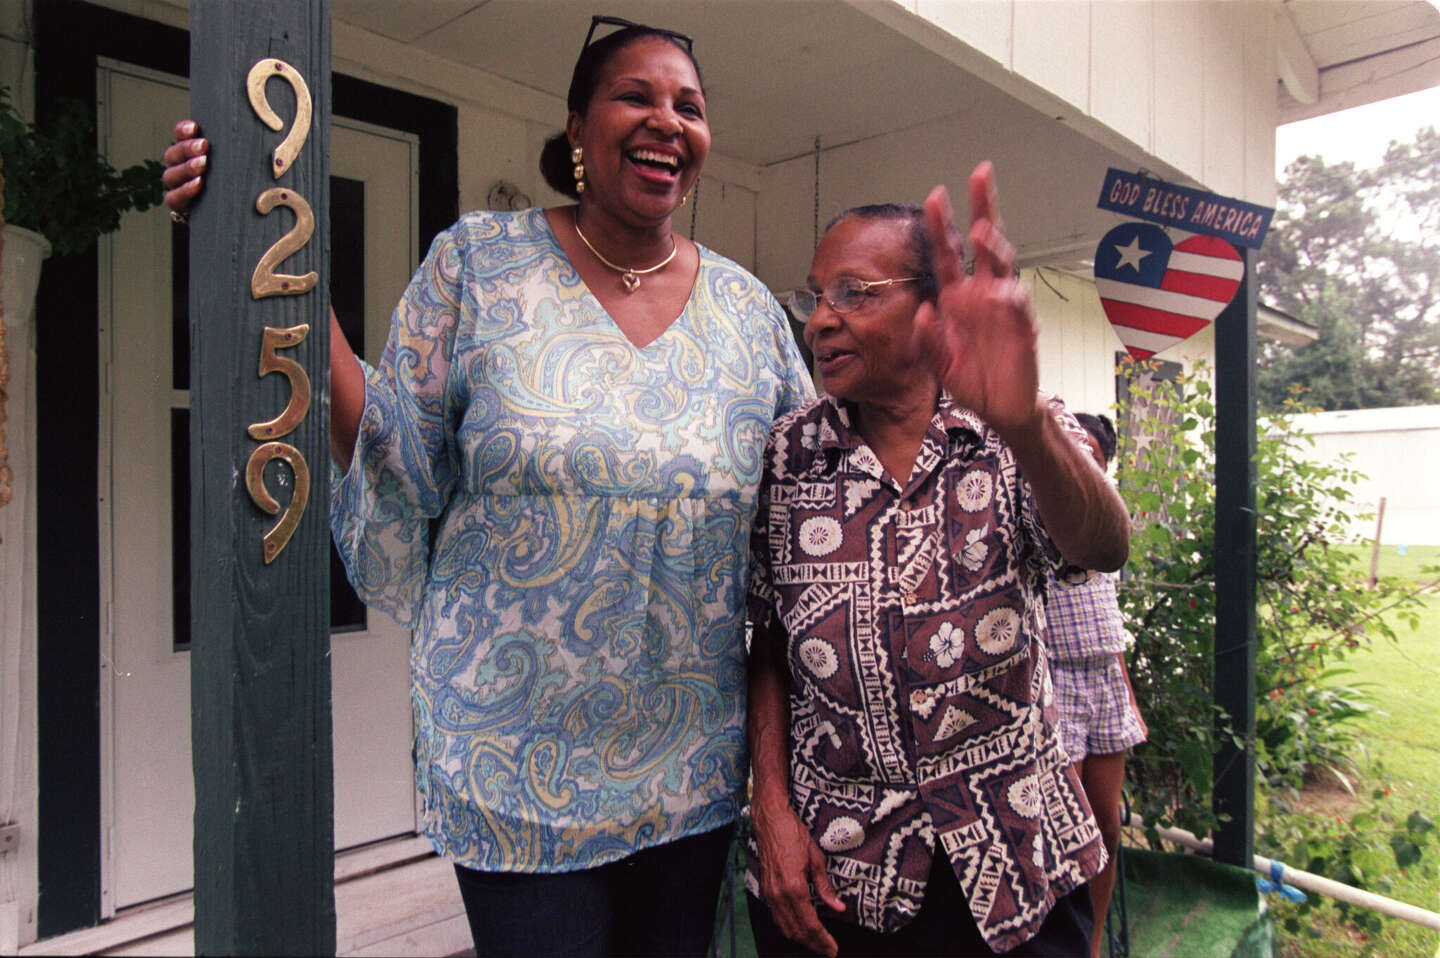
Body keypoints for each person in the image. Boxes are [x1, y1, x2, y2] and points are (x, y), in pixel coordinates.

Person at [164, 17, 813, 957]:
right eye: (637, 96)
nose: (667, 120)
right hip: (511, 766)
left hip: (688, 769)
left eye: (691, 106)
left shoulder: (750, 313)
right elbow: (389, 449)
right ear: (579, 126)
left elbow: (806, 525)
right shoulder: (479, 265)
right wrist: (251, 228)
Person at [744, 165, 1132, 957]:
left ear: (932, 306)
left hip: (1015, 862)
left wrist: (1025, 427)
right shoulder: (788, 456)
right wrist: (773, 812)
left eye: (854, 293)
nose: (820, 321)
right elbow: (769, 645)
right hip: (839, 877)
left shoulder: (1017, 432)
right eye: (813, 297)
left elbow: (1100, 545)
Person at [1043, 413, 1148, 958]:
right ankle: (1063, 937)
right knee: (1070, 828)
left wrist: (1126, 693)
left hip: (1105, 676)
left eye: (1094, 460)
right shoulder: (1045, 513)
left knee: (1107, 823)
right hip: (1055, 681)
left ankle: (1093, 942)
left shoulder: (1106, 523)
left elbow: (1112, 623)